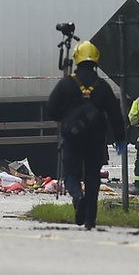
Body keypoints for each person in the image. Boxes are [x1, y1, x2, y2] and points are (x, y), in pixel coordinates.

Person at [46, 41, 126, 230]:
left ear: (77, 59)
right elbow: (115, 115)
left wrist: (65, 119)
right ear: (96, 60)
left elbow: (51, 109)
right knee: (92, 177)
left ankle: (77, 197)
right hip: (95, 139)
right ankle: (90, 219)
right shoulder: (103, 87)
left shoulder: (66, 84)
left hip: (72, 138)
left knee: (71, 174)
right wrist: (120, 138)